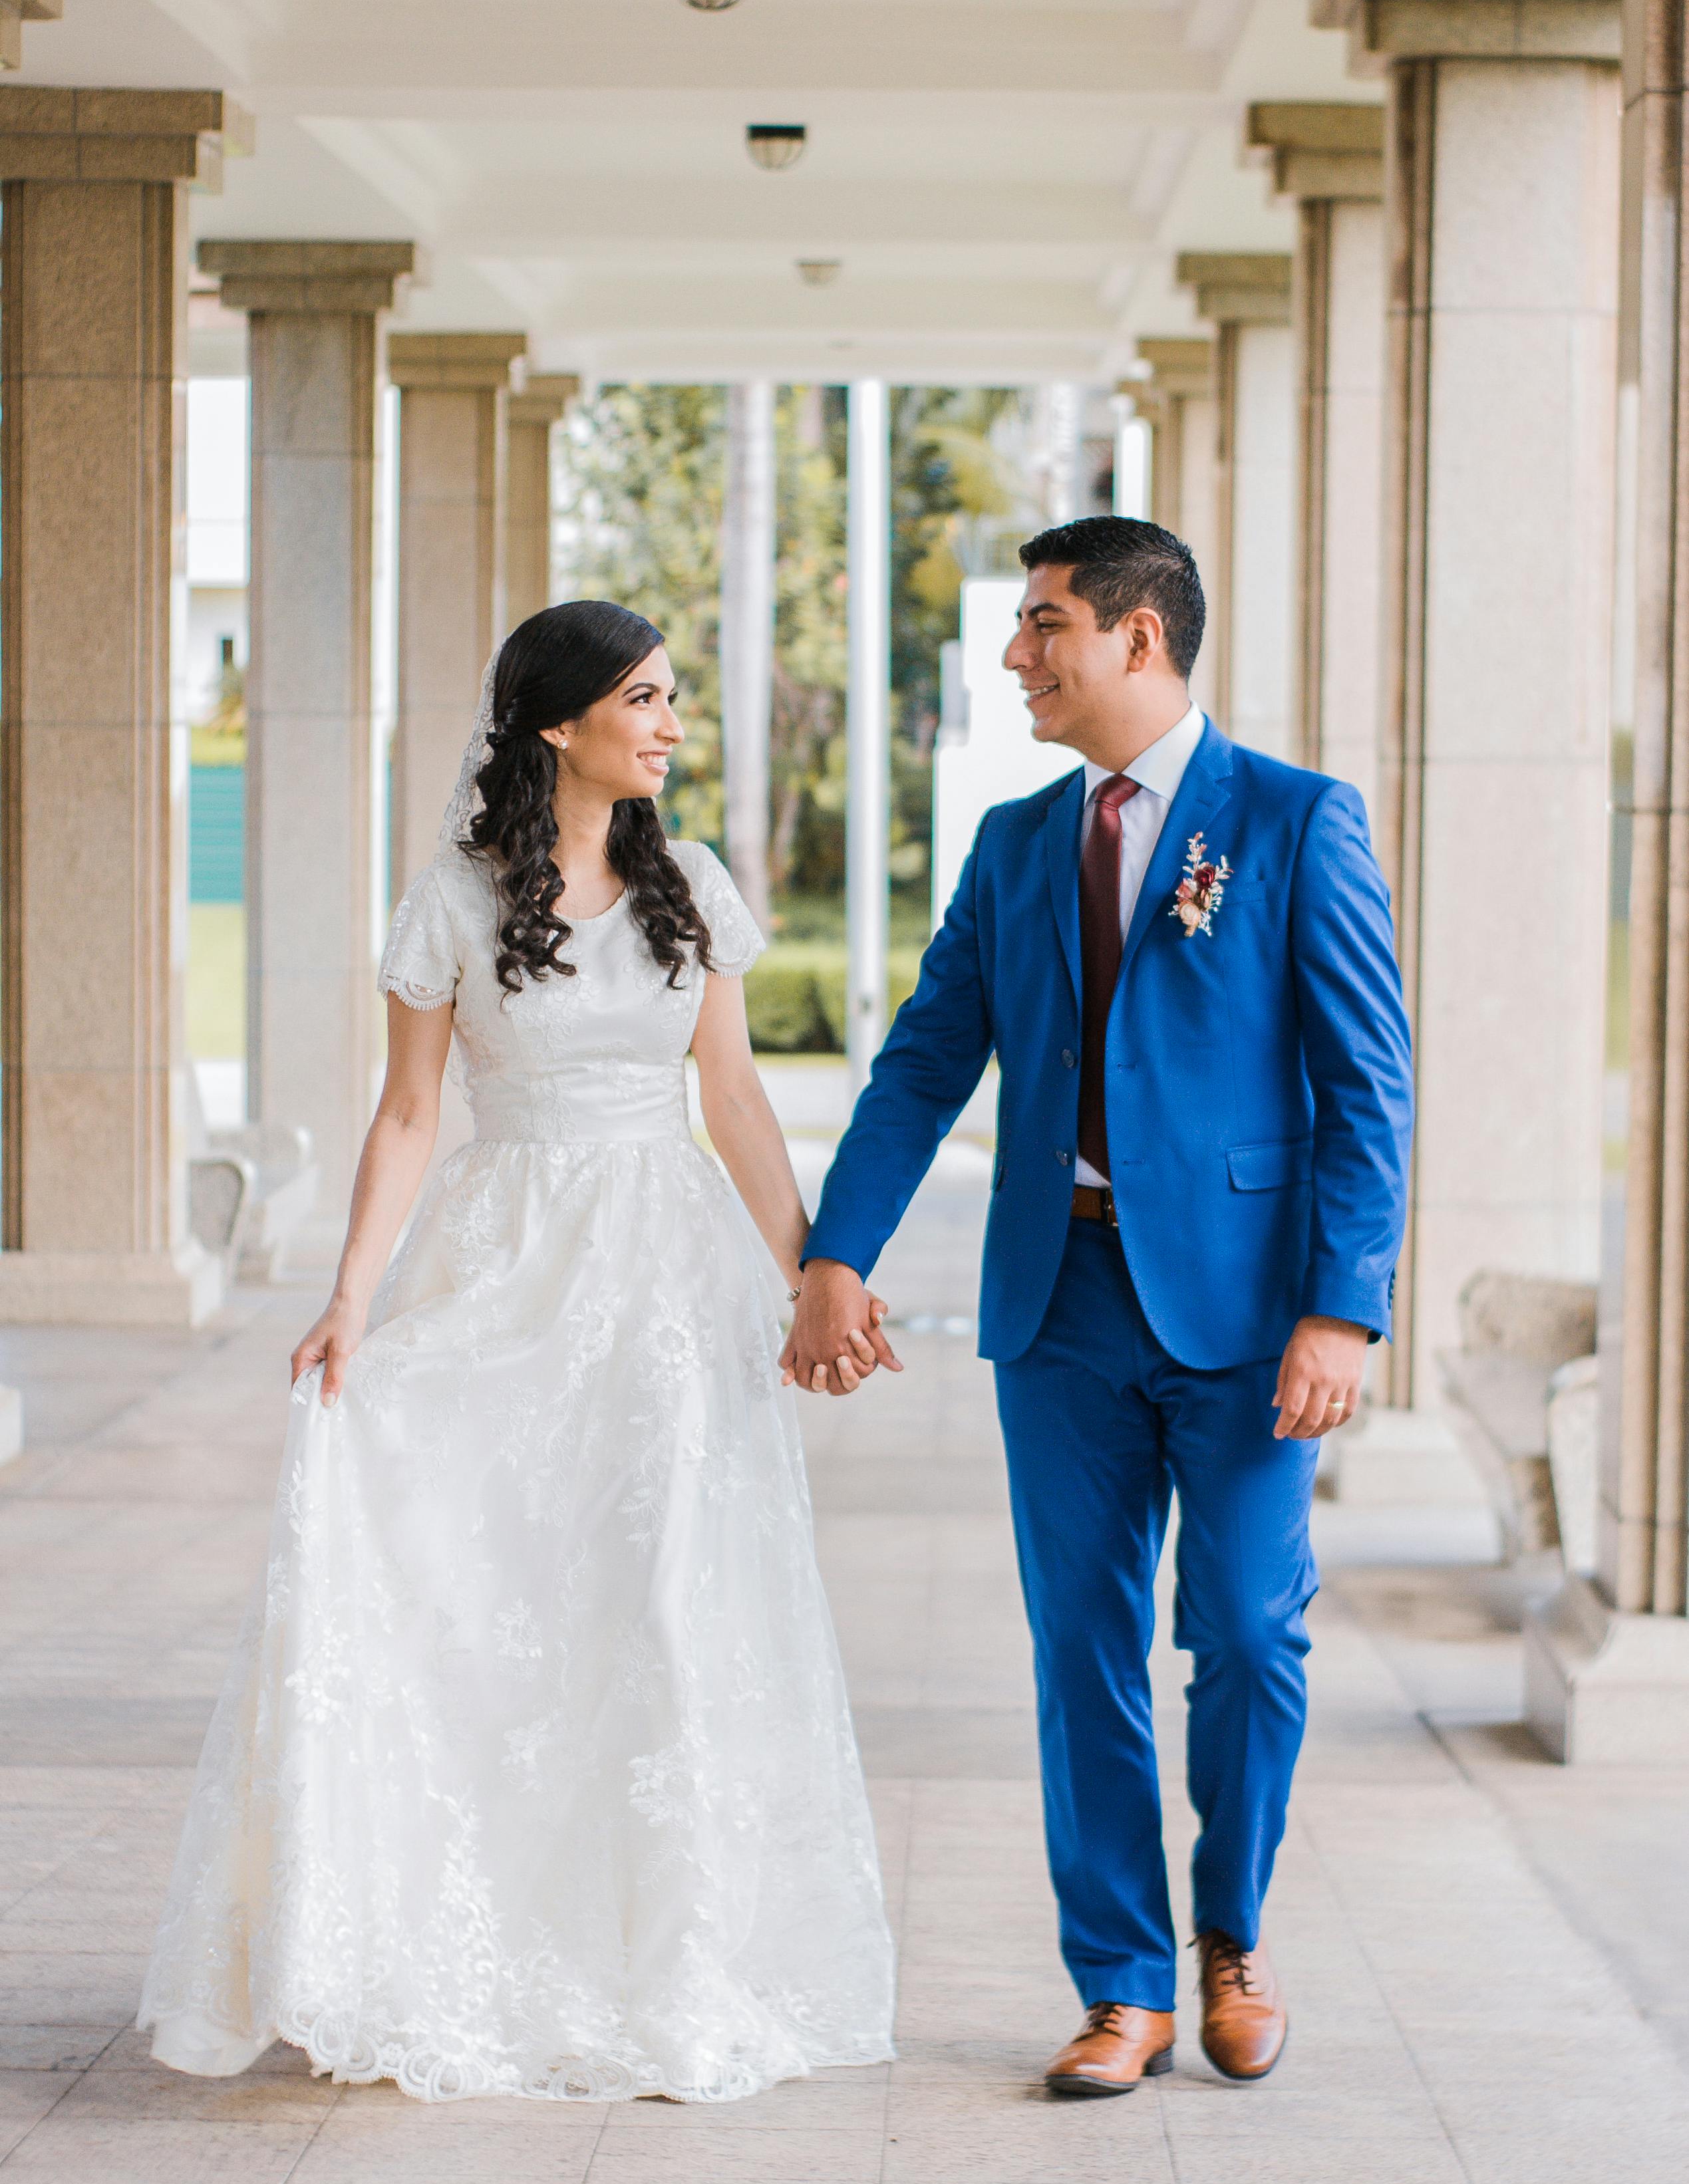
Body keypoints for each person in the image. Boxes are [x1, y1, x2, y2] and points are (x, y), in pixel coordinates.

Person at [140, 600, 896, 2104]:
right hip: (507, 1266)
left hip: (667, 1284)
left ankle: (667, 1957)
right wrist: (352, 1298)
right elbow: (409, 1112)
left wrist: (818, 1274)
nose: (671, 724)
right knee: (512, 1601)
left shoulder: (694, 884)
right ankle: (477, 1938)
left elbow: (735, 1100)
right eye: (645, 698)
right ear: (559, 721)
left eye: (673, 697)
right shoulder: (453, 901)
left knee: (663, 1597)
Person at [785, 517, 1412, 2096]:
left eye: (1043, 623)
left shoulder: (1294, 820)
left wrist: (1341, 1308)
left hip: (1250, 1313)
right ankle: (1121, 1981)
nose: (1016, 655)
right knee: (1083, 1646)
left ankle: (1233, 1934)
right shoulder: (1013, 845)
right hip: (1056, 1299)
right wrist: (836, 1250)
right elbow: (926, 1060)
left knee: (1250, 1631)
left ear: (1138, 636)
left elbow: (1367, 1084)